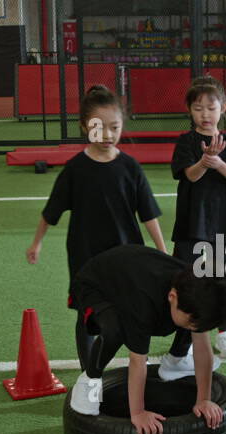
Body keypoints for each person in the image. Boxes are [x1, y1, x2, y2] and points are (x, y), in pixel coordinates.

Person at [25, 85, 167, 392]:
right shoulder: (76, 169)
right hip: (86, 255)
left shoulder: (130, 167)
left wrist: (162, 250)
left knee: (129, 311)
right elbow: (52, 210)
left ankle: (132, 372)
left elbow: (148, 214)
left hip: (126, 255)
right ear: (84, 127)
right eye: (98, 127)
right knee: (87, 313)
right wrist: (36, 243)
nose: (107, 135)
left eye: (114, 128)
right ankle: (89, 375)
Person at [70, 245, 226, 434]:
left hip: (134, 275)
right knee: (115, 330)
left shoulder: (196, 290)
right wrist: (139, 413)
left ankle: (175, 361)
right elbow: (138, 361)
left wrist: (204, 400)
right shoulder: (143, 305)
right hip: (96, 284)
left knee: (191, 324)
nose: (196, 329)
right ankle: (89, 380)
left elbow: (202, 348)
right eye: (193, 323)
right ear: (172, 297)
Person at [159, 76, 226, 381]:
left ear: (223, 108)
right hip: (190, 229)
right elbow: (192, 176)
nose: (205, 114)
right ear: (189, 111)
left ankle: (224, 334)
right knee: (191, 289)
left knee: (223, 283)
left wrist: (219, 162)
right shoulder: (186, 143)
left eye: (211, 108)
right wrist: (205, 159)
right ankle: (176, 354)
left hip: (222, 229)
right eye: (198, 108)